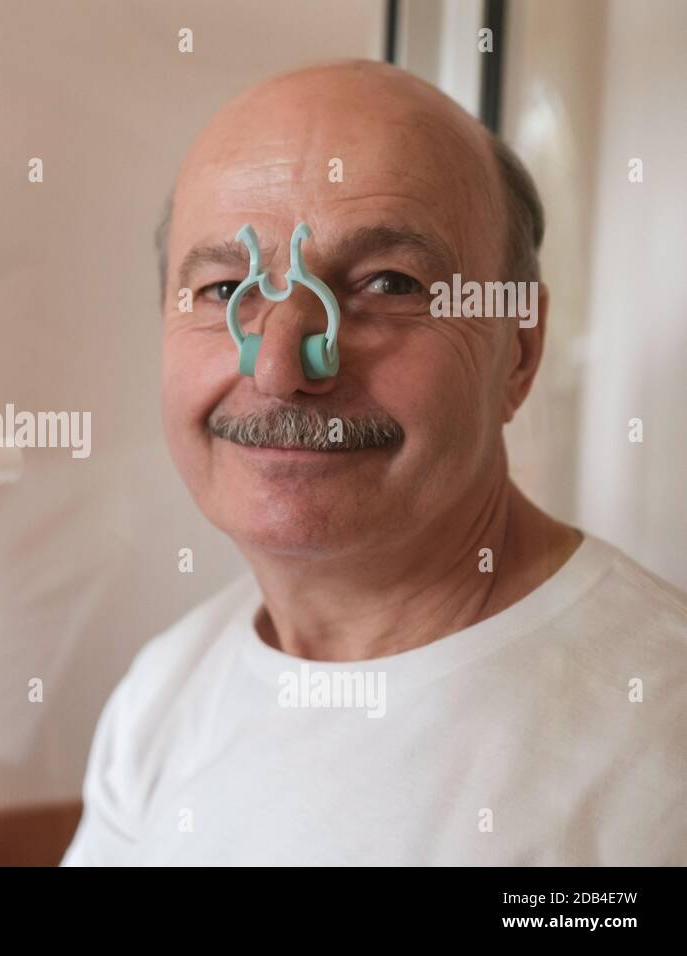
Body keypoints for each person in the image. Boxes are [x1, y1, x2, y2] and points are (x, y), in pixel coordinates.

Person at [62, 59, 687, 865]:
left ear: (518, 353)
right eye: (225, 291)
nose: (280, 368)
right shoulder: (161, 692)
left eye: (388, 283)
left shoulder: (659, 739)